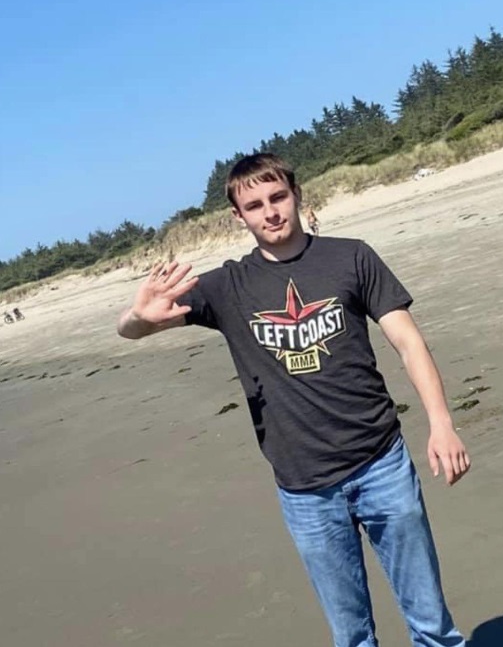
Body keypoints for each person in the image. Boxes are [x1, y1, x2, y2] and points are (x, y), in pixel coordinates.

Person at [117, 153, 470, 647]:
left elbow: (408, 342)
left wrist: (441, 423)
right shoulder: (227, 287)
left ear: (296, 194)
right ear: (239, 216)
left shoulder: (352, 257)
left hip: (380, 463)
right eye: (255, 204)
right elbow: (131, 330)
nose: (271, 212)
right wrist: (137, 316)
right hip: (304, 489)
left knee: (433, 627)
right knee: (352, 638)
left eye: (278, 197)